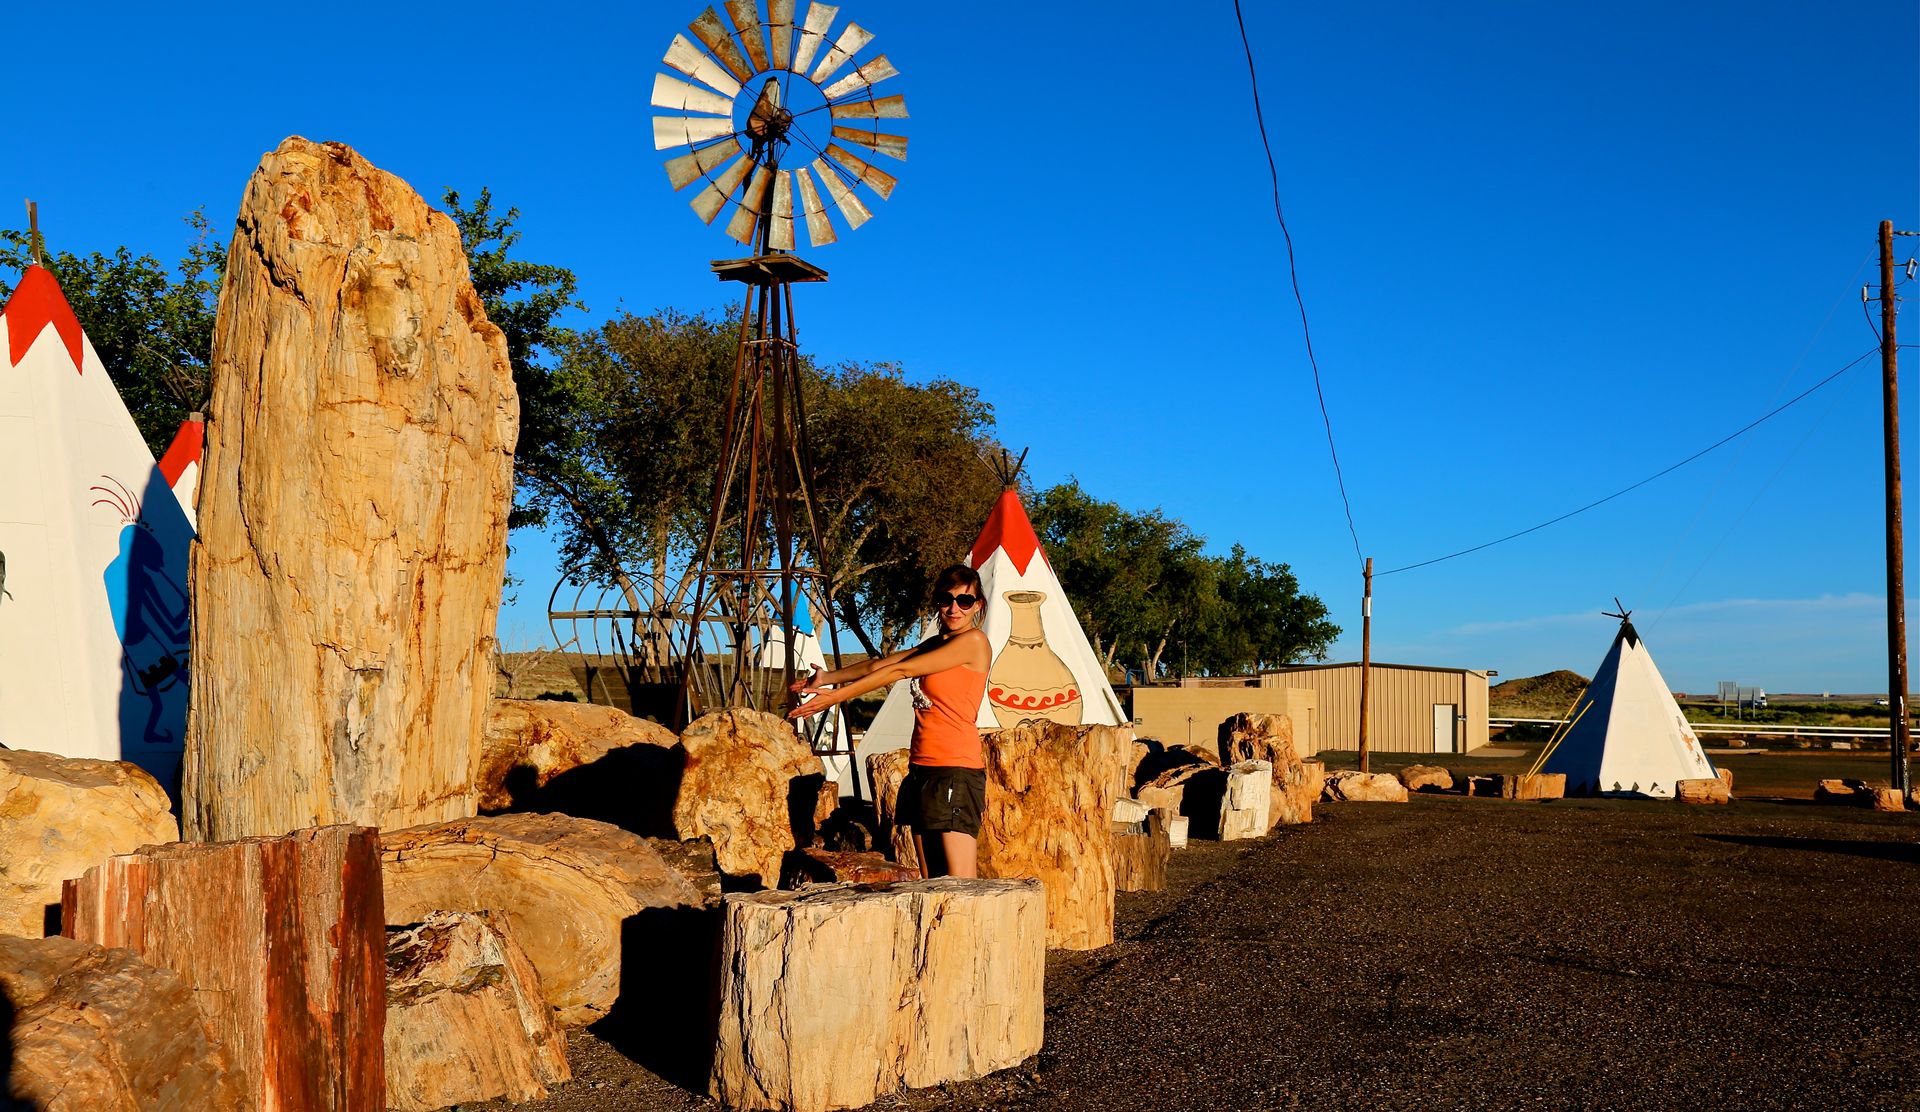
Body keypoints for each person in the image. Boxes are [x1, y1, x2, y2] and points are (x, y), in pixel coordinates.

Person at [788, 565, 990, 877]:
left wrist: (836, 697)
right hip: (922, 769)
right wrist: (828, 678)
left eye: (964, 601)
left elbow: (900, 672)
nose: (954, 608)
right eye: (946, 599)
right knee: (933, 880)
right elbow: (880, 665)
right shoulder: (937, 643)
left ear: (977, 605)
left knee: (961, 886)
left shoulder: (973, 642)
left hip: (955, 770)